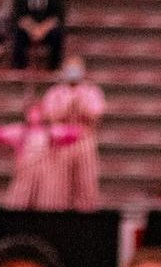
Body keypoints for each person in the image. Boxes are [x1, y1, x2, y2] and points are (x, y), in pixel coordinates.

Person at [43, 57, 103, 211]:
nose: (73, 72)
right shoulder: (55, 92)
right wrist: (67, 107)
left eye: (76, 68)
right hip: (61, 143)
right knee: (59, 186)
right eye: (70, 68)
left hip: (84, 140)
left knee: (86, 184)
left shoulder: (92, 91)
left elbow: (96, 114)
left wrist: (80, 106)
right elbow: (49, 115)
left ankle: (87, 216)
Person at [0, 102, 73, 210]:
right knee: (19, 200)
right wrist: (5, 142)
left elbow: (72, 133)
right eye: (31, 113)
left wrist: (59, 144)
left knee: (46, 201)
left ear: (43, 114)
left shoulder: (50, 130)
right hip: (26, 170)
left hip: (45, 172)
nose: (34, 116)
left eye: (37, 113)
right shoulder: (20, 130)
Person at [9, 0, 65, 72]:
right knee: (18, 34)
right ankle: (19, 68)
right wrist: (33, 29)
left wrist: (42, 29)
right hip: (28, 29)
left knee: (57, 34)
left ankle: (54, 68)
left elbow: (57, 17)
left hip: (47, 30)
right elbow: (18, 17)